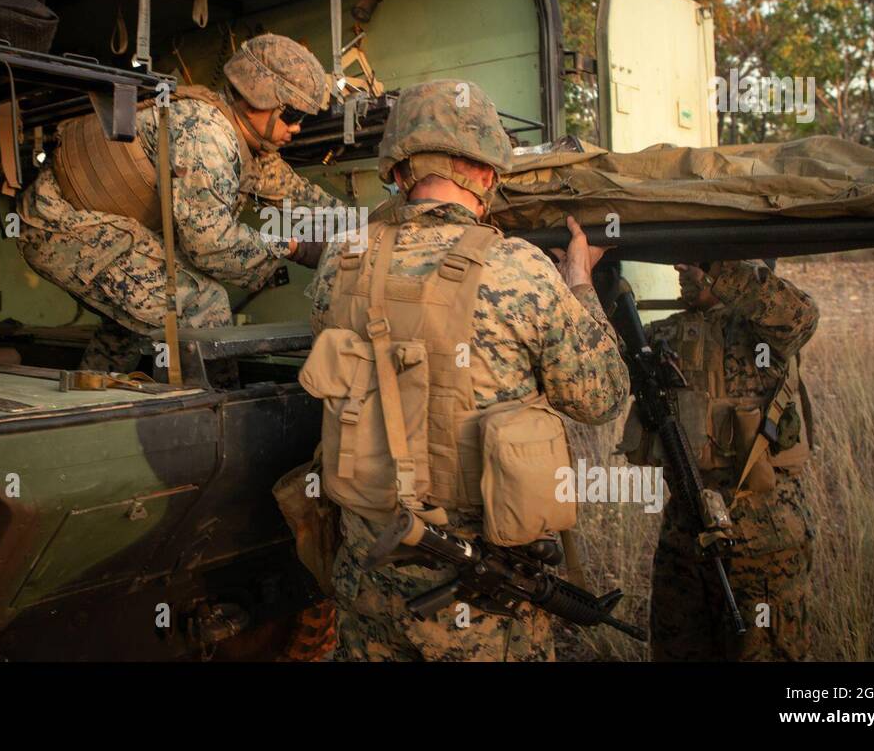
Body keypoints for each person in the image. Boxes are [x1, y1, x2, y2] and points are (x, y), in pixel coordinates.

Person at [305, 79, 630, 661]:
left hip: (367, 571)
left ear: (400, 172)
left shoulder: (342, 256)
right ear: (482, 171)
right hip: (475, 593)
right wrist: (580, 282)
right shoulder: (518, 268)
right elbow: (601, 396)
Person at [16, 34, 343, 371]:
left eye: (304, 119)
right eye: (293, 115)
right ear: (257, 98)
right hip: (61, 227)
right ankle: (215, 413)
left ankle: (94, 393)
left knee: (135, 316)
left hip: (90, 224)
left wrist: (365, 228)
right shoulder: (206, 134)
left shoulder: (250, 144)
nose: (297, 128)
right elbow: (210, 245)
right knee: (199, 304)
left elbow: (302, 197)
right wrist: (292, 247)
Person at [639, 260, 819, 660]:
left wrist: (720, 269)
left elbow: (801, 318)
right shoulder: (665, 334)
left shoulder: (762, 331)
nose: (681, 270)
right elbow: (599, 362)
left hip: (764, 535)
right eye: (681, 262)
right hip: (687, 530)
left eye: (695, 262)